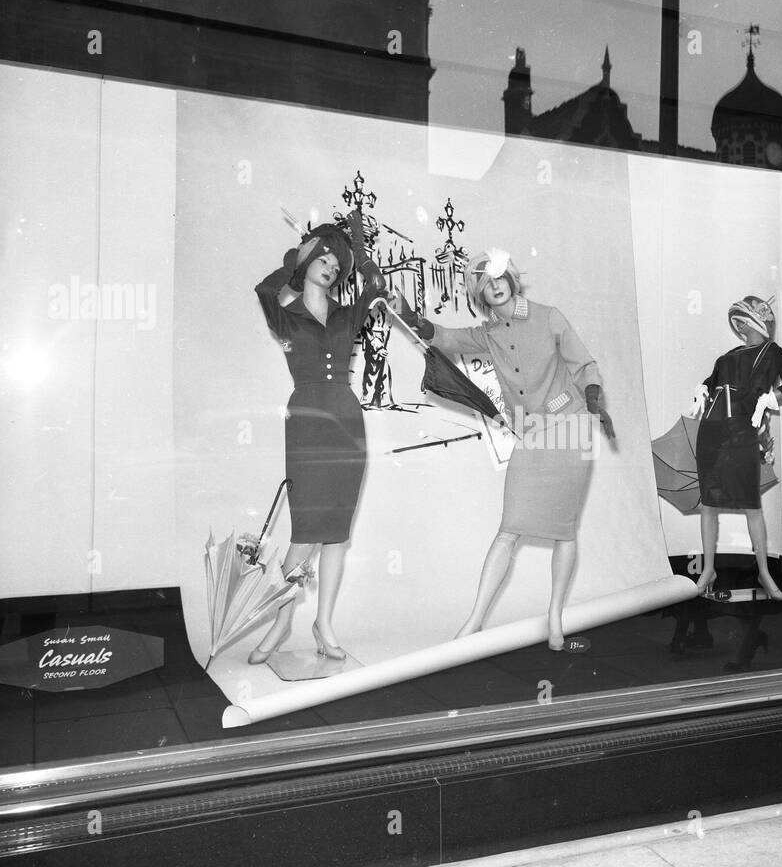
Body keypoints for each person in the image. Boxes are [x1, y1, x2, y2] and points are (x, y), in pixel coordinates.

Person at [392, 249, 615, 650]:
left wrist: (594, 396)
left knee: (564, 529)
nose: (493, 286)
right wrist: (409, 314)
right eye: (483, 283)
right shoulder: (487, 334)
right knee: (509, 527)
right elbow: (443, 337)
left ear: (511, 279)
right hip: (530, 433)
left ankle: (555, 619)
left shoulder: (549, 316)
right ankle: (474, 622)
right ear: (479, 293)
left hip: (569, 429)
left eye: (498, 278)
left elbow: (584, 365)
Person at [248, 222, 381, 664]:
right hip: (305, 420)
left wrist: (357, 250)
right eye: (322, 260)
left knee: (336, 533)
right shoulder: (284, 314)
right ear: (306, 262)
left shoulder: (347, 315)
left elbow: (376, 284)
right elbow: (264, 288)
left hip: (346, 421)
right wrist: (297, 257)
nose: (329, 267)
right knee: (305, 528)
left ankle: (323, 624)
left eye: (335, 264)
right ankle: (281, 620)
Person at [695, 295, 782, 600]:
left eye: (741, 318)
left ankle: (764, 573)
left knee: (750, 504)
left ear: (756, 319)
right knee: (709, 503)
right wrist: (702, 388)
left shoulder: (772, 352)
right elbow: (713, 381)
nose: (738, 325)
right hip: (713, 430)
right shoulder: (728, 356)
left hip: (743, 432)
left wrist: (773, 398)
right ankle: (708, 569)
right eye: (736, 321)